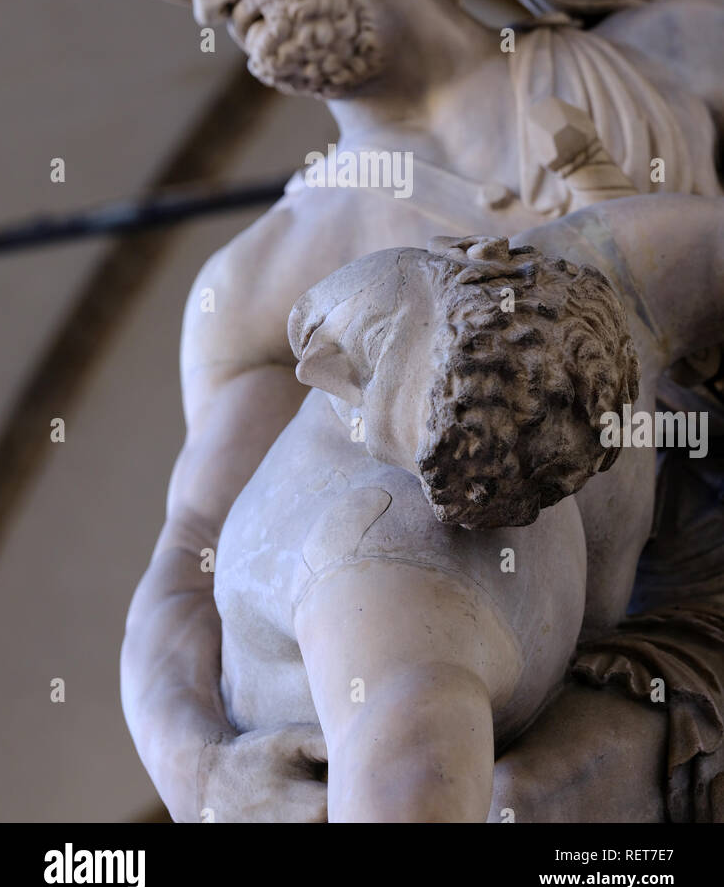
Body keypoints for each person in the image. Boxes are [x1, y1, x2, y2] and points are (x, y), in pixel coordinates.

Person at [88, 0, 724, 821]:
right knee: (505, 801)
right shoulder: (264, 269)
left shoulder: (670, 61)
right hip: (531, 660)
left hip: (706, 573)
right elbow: (194, 554)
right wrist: (195, 766)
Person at [210, 193, 723, 822]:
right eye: (381, 434)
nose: (314, 371)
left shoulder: (626, 266)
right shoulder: (388, 583)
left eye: (371, 347)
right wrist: (198, 773)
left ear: (476, 254)